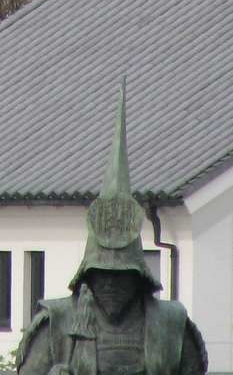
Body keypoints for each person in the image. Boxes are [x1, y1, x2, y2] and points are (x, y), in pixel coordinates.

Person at [16, 83, 206, 375]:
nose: (111, 286)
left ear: (138, 276)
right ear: (88, 275)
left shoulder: (171, 324)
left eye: (120, 277)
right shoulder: (56, 322)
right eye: (103, 276)